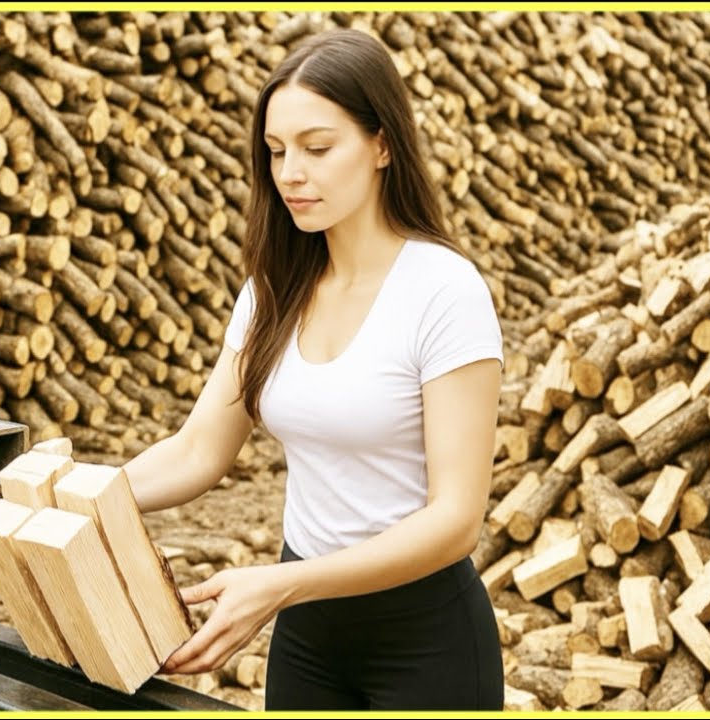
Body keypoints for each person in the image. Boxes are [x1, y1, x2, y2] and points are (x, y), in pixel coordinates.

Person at [121, 28, 505, 711]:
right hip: (308, 640)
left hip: (424, 643)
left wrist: (277, 586)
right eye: (275, 152)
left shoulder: (445, 290)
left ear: (382, 145)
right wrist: (83, 496)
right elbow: (199, 449)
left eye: (317, 148)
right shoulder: (272, 289)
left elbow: (456, 519)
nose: (291, 172)